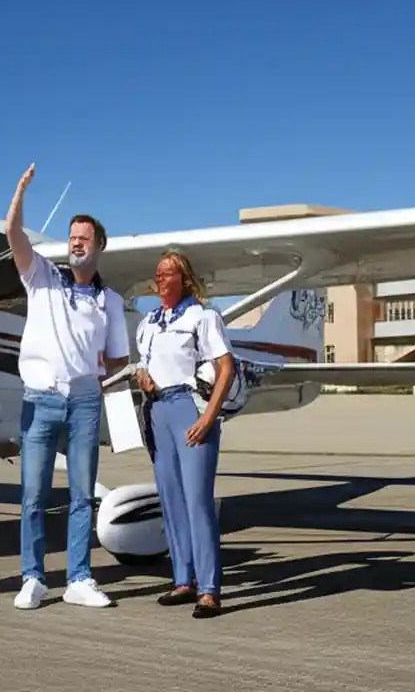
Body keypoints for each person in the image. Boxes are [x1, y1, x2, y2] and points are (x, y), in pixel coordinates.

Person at [4, 163, 130, 610]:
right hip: (39, 397)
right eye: (72, 236)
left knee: (82, 493)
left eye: (84, 238)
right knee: (33, 494)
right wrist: (20, 192)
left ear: (99, 247)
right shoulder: (41, 277)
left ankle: (79, 577)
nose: (75, 242)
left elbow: (118, 357)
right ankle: (33, 577)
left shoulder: (109, 301)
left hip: (85, 400)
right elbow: (13, 233)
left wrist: (98, 368)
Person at [133, 248, 235, 618]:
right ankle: (182, 580)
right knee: (171, 500)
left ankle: (209, 589)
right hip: (157, 409)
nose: (160, 279)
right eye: (158, 274)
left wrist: (209, 417)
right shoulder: (148, 323)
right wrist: (143, 379)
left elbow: (226, 367)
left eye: (168, 273)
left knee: (197, 501)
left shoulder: (202, 317)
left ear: (184, 278)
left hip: (190, 409)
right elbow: (146, 367)